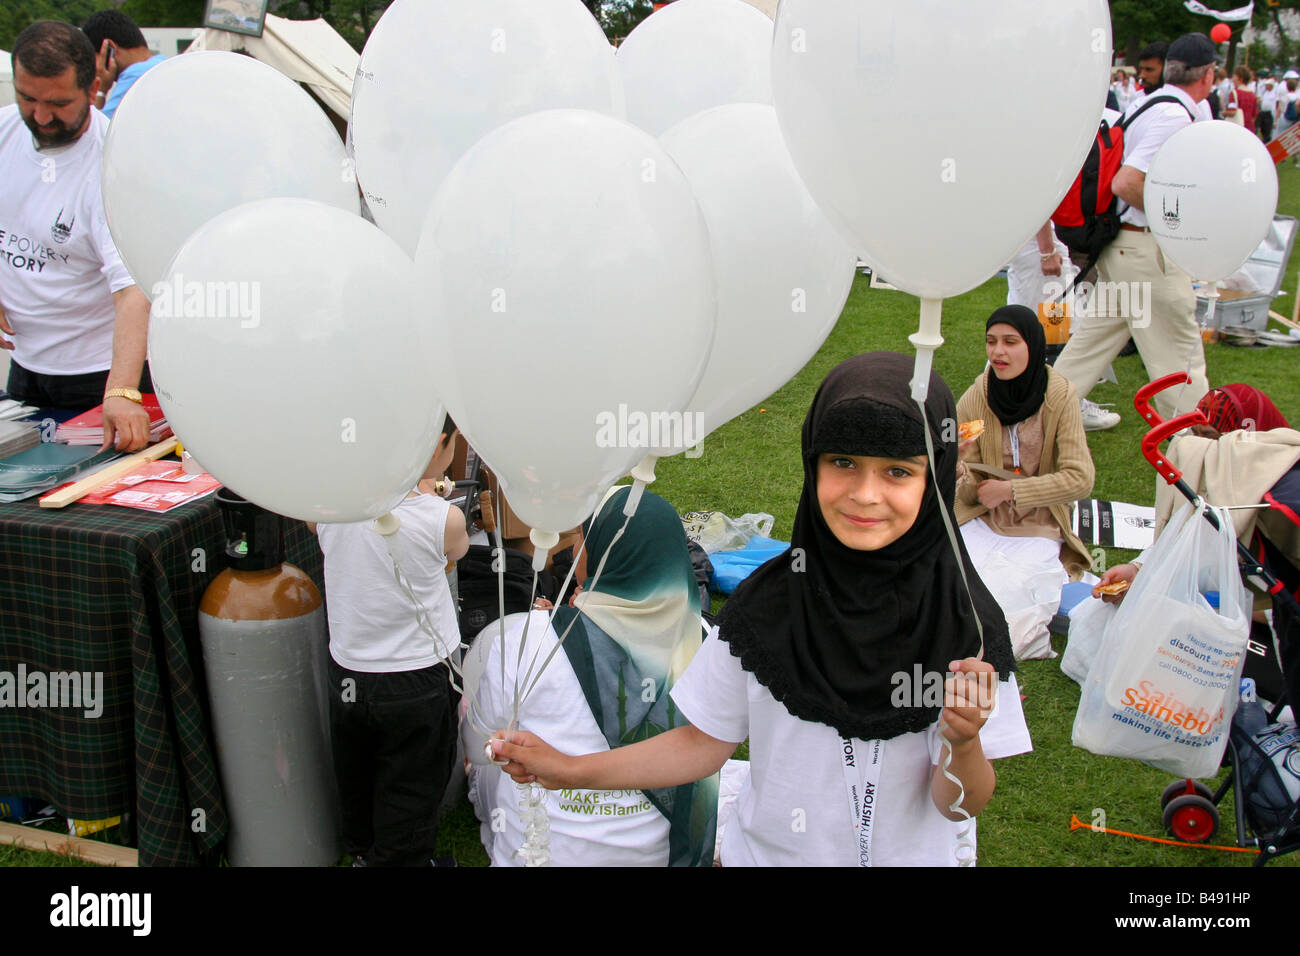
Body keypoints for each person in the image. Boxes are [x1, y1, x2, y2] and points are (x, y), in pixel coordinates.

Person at [489, 352, 1031, 866]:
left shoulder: (966, 625)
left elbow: (958, 804)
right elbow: (703, 742)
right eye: (843, 462)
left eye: (898, 471)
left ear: (934, 476)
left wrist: (964, 741)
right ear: (812, 464)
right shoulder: (770, 603)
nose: (866, 494)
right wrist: (570, 769)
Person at [463, 486, 716, 866]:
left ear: (597, 550)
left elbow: (479, 748)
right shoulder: (706, 643)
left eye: (582, 536)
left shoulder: (525, 639)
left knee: (486, 744)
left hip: (544, 852)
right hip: (656, 855)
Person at [316, 426, 470, 867]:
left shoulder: (329, 507)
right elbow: (451, 554)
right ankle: (400, 859)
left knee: (358, 770)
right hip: (417, 676)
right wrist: (434, 495)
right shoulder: (445, 519)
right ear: (440, 444)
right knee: (413, 786)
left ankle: (366, 852)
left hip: (349, 671)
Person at [0, 20, 151, 449]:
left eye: (58, 103)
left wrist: (122, 392)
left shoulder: (113, 167)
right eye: (27, 98)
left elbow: (133, 291)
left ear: (92, 89)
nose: (42, 116)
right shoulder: (5, 130)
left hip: (97, 375)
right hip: (27, 365)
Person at [1051, 32, 1212, 430]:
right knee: (1180, 367)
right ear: (1208, 75)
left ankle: (1020, 430)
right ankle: (1201, 457)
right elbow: (1127, 183)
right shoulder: (1174, 115)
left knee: (1083, 355)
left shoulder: (1147, 104)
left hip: (1123, 249)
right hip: (1143, 251)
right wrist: (1180, 219)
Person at [955, 307, 1095, 655]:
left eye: (1010, 342)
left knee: (1009, 597)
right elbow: (961, 477)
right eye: (991, 342)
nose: (997, 352)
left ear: (1032, 346)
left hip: (1038, 523)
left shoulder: (1059, 395)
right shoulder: (979, 394)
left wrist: (1012, 490)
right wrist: (958, 461)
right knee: (949, 584)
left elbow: (1080, 478)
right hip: (983, 518)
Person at [81, 10, 165, 119]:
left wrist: (100, 90)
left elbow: (99, 132)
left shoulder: (135, 75)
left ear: (109, 48)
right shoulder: (163, 63)